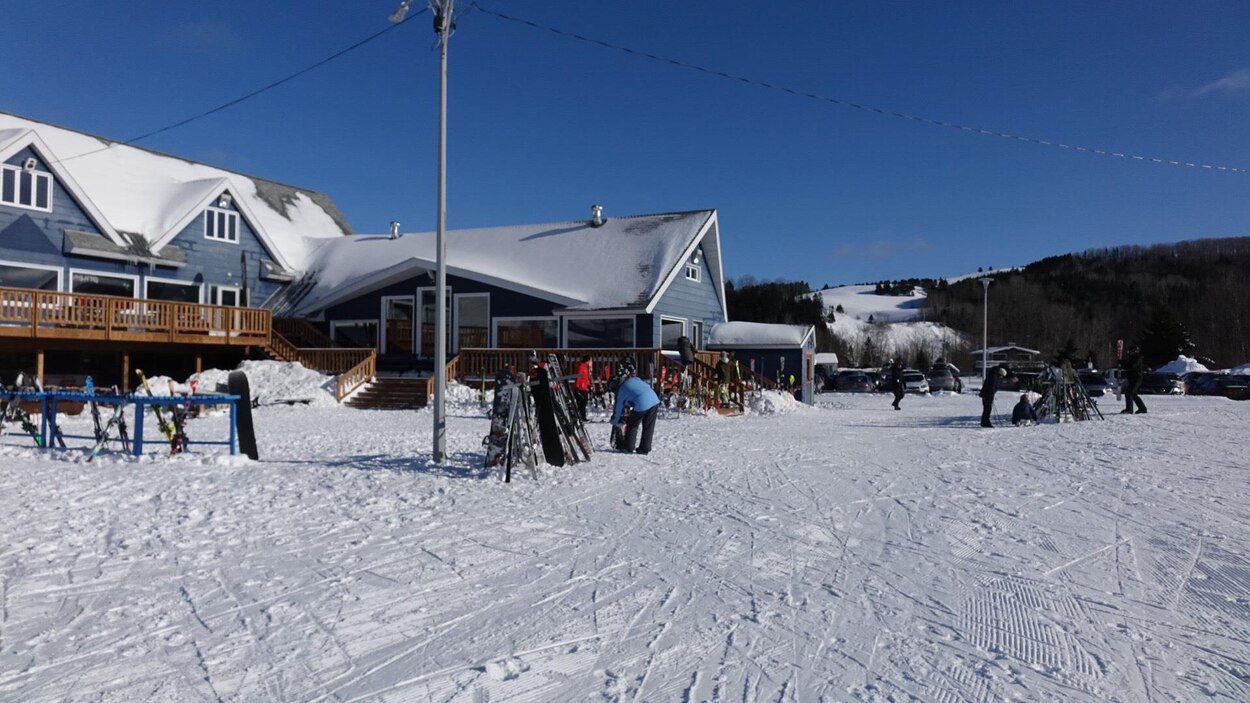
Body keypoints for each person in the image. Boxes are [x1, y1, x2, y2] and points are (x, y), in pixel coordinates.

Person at [609, 359, 661, 454]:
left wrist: (614, 422)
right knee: (648, 426)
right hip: (654, 400)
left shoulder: (620, 391)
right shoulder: (633, 379)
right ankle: (645, 448)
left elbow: (618, 409)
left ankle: (628, 446)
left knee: (632, 424)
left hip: (642, 402)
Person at [1120, 345, 1147, 414]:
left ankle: (1129, 409)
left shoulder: (1137, 358)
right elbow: (1129, 366)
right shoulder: (1132, 358)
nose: (1129, 353)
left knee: (1129, 393)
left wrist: (1122, 365)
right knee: (1133, 394)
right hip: (1133, 378)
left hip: (1137, 378)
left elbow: (1131, 367)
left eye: (1131, 351)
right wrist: (1121, 363)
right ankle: (1142, 408)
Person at [573, 355, 592, 421]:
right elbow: (578, 377)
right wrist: (577, 386)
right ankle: (582, 417)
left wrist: (588, 385)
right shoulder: (582, 367)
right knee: (582, 402)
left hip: (584, 386)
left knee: (584, 402)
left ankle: (581, 416)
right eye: (590, 360)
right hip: (581, 387)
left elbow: (586, 378)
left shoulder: (586, 367)